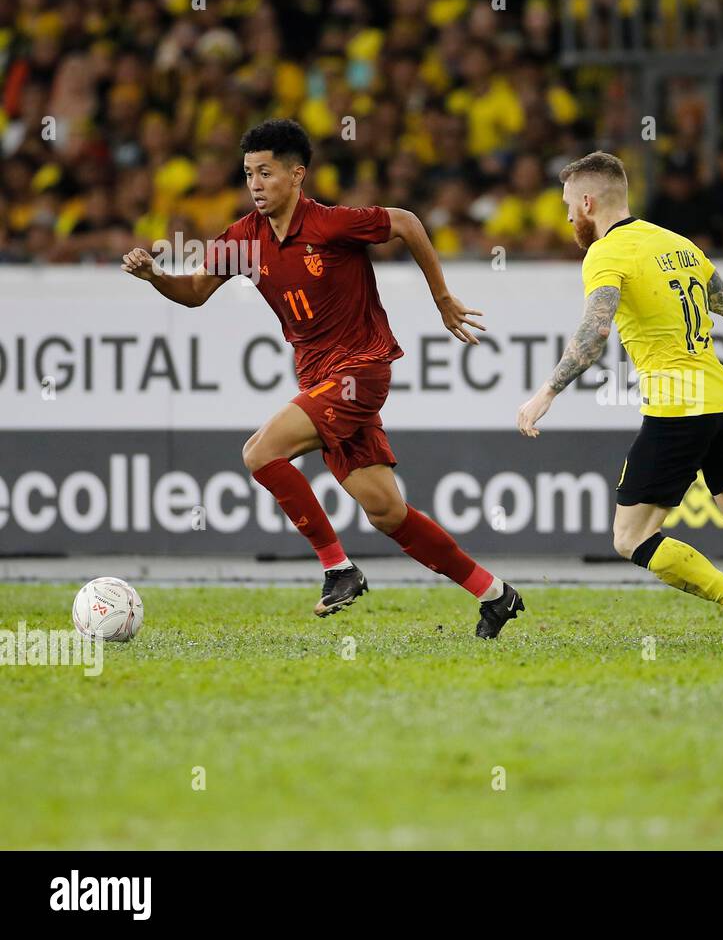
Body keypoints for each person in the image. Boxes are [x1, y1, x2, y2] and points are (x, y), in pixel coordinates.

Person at [121, 118, 525, 638]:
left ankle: (338, 568)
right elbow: (196, 291)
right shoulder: (243, 239)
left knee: (259, 452)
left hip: (360, 371)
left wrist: (442, 298)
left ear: (297, 175)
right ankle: (494, 594)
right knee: (387, 512)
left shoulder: (333, 224)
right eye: (248, 174)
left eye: (266, 173)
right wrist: (155, 277)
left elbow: (404, 222)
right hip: (319, 381)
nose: (256, 185)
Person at [516, 151, 723, 644]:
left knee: (629, 537)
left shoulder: (606, 253)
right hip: (722, 399)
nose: (568, 216)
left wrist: (545, 392)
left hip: (678, 408)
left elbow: (595, 332)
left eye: (569, 204)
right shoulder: (677, 244)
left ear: (588, 202)